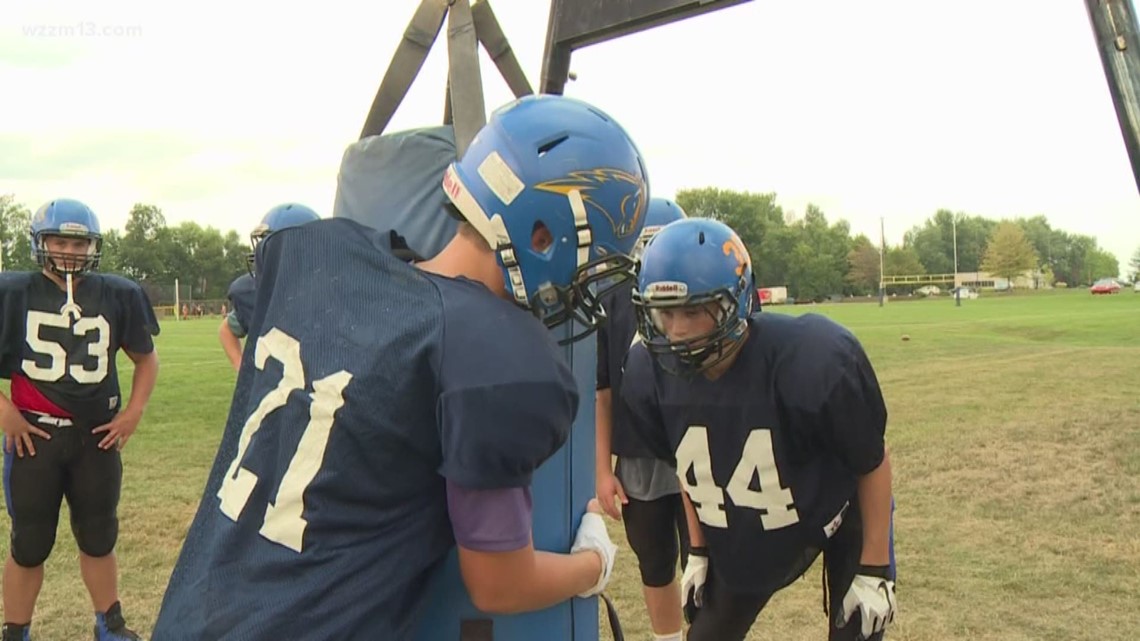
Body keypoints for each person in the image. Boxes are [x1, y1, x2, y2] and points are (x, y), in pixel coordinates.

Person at [152, 93, 650, 640]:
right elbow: (499, 585)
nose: (588, 283)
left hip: (191, 614)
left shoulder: (314, 255)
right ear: (542, 235)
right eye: (591, 258)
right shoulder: (496, 355)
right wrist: (594, 565)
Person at [621, 218, 897, 641]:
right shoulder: (647, 373)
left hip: (836, 511)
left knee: (857, 629)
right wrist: (698, 548)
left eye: (693, 311)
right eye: (665, 313)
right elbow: (688, 466)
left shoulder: (814, 360)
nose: (675, 330)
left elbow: (871, 462)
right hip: (747, 526)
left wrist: (875, 567)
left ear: (736, 303)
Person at [0, 199, 160, 641]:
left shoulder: (118, 293)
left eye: (79, 242)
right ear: (41, 242)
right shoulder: (14, 291)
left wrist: (133, 413)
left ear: (93, 246)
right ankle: (15, 631)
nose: (70, 251)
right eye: (60, 240)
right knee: (29, 542)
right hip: (35, 437)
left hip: (96, 438)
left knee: (98, 534)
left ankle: (109, 624)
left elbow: (146, 360)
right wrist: (6, 412)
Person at [594, 197, 690, 641]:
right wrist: (601, 471)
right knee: (655, 563)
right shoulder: (613, 297)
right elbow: (603, 393)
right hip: (638, 454)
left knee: (709, 562)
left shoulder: (700, 288)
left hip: (699, 445)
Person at [218, 204, 321, 370]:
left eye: (268, 243)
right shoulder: (254, 291)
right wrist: (242, 368)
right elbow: (227, 330)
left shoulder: (332, 292)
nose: (261, 250)